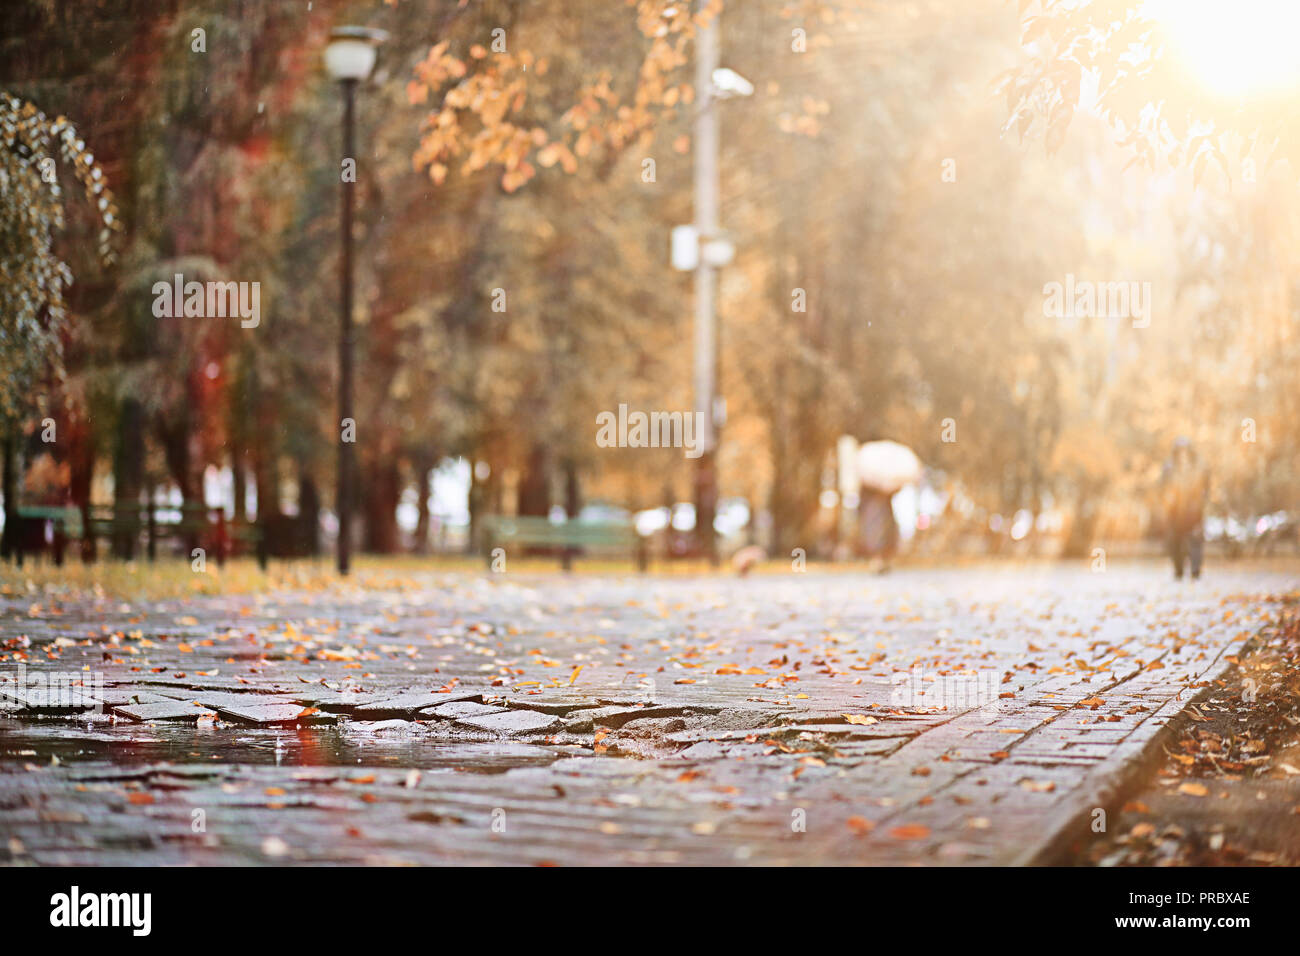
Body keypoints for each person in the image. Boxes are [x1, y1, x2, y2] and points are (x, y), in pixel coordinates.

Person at [1161, 437, 1208, 580]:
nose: (1183, 454)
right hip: (1175, 511)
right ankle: (1178, 570)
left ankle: (1195, 570)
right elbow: (1163, 487)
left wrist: (1200, 501)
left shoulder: (1198, 467)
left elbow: (1205, 487)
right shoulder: (1169, 467)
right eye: (1180, 451)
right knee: (1175, 541)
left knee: (1195, 540)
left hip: (1194, 510)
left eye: (1185, 450)